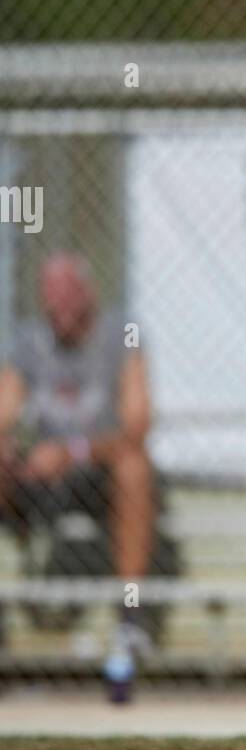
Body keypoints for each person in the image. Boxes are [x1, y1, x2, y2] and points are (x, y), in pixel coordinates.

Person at [0, 255, 155, 685]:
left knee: (134, 468)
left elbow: (137, 427)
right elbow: (4, 412)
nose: (60, 309)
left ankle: (129, 618)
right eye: (51, 299)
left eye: (69, 296)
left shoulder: (122, 336)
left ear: (89, 293)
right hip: (37, 477)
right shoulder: (29, 342)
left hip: (96, 472)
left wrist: (72, 451)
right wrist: (11, 450)